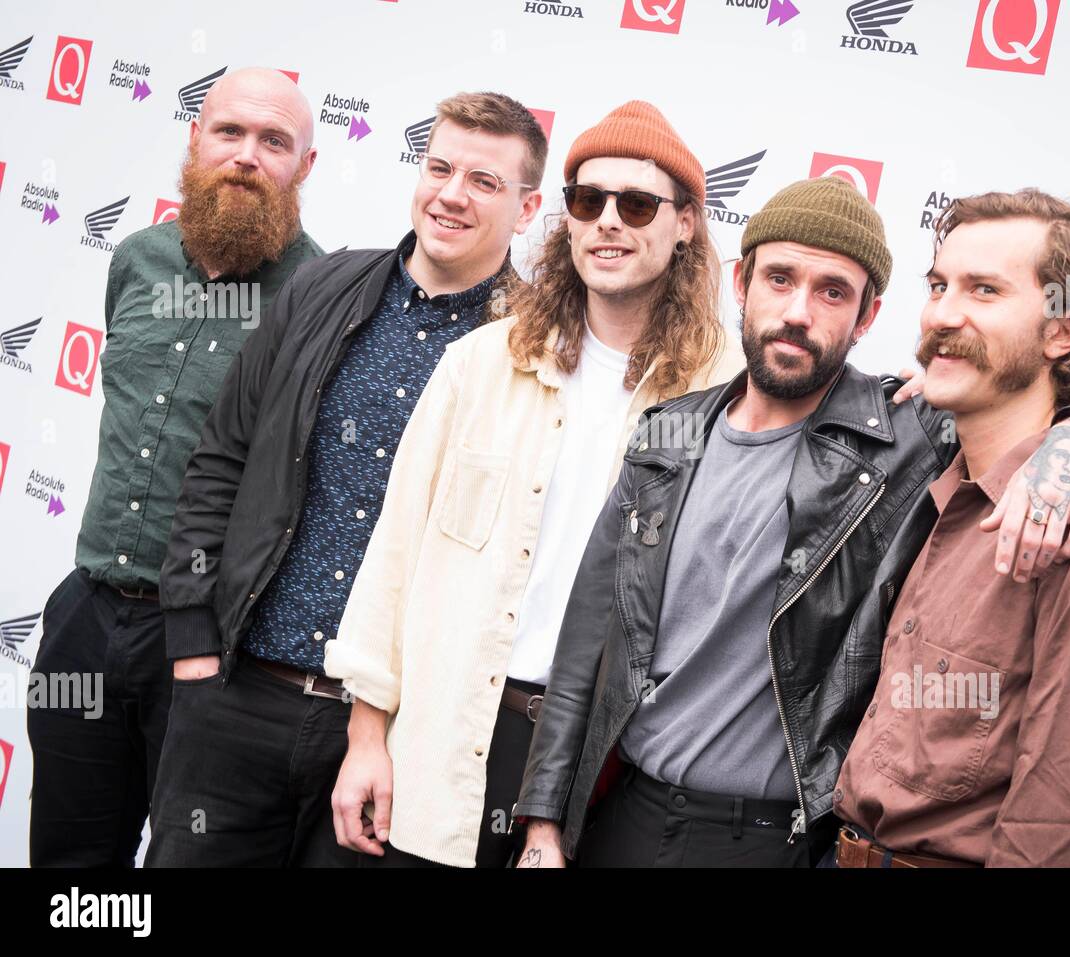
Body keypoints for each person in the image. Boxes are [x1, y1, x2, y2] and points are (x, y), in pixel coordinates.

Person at [512, 176, 1070, 867]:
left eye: (831, 292)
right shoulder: (669, 431)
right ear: (741, 283)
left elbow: (1047, 390)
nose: (798, 311)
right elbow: (589, 632)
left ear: (867, 317)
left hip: (776, 836)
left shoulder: (906, 434)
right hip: (626, 813)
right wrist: (542, 824)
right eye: (780, 278)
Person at [323, 100, 744, 867]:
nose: (609, 221)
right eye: (589, 200)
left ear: (685, 223)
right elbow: (394, 555)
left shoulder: (726, 395)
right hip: (443, 743)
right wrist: (365, 740)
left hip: (600, 769)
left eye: (638, 203)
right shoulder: (483, 363)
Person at [147, 91, 546, 867]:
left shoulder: (535, 349)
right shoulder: (323, 285)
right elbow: (223, 454)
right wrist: (194, 645)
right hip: (238, 695)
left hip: (389, 738)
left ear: (527, 208)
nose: (451, 194)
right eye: (439, 167)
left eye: (485, 182)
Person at [828, 189, 1070, 868]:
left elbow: (1067, 822)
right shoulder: (937, 472)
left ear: (1063, 331)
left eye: (984, 290)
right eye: (939, 285)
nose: (942, 314)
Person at [27, 66, 321, 867]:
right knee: (69, 859)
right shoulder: (136, 259)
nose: (246, 157)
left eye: (274, 142)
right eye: (228, 132)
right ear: (195, 140)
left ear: (306, 166)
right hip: (86, 618)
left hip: (206, 642)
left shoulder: (316, 300)